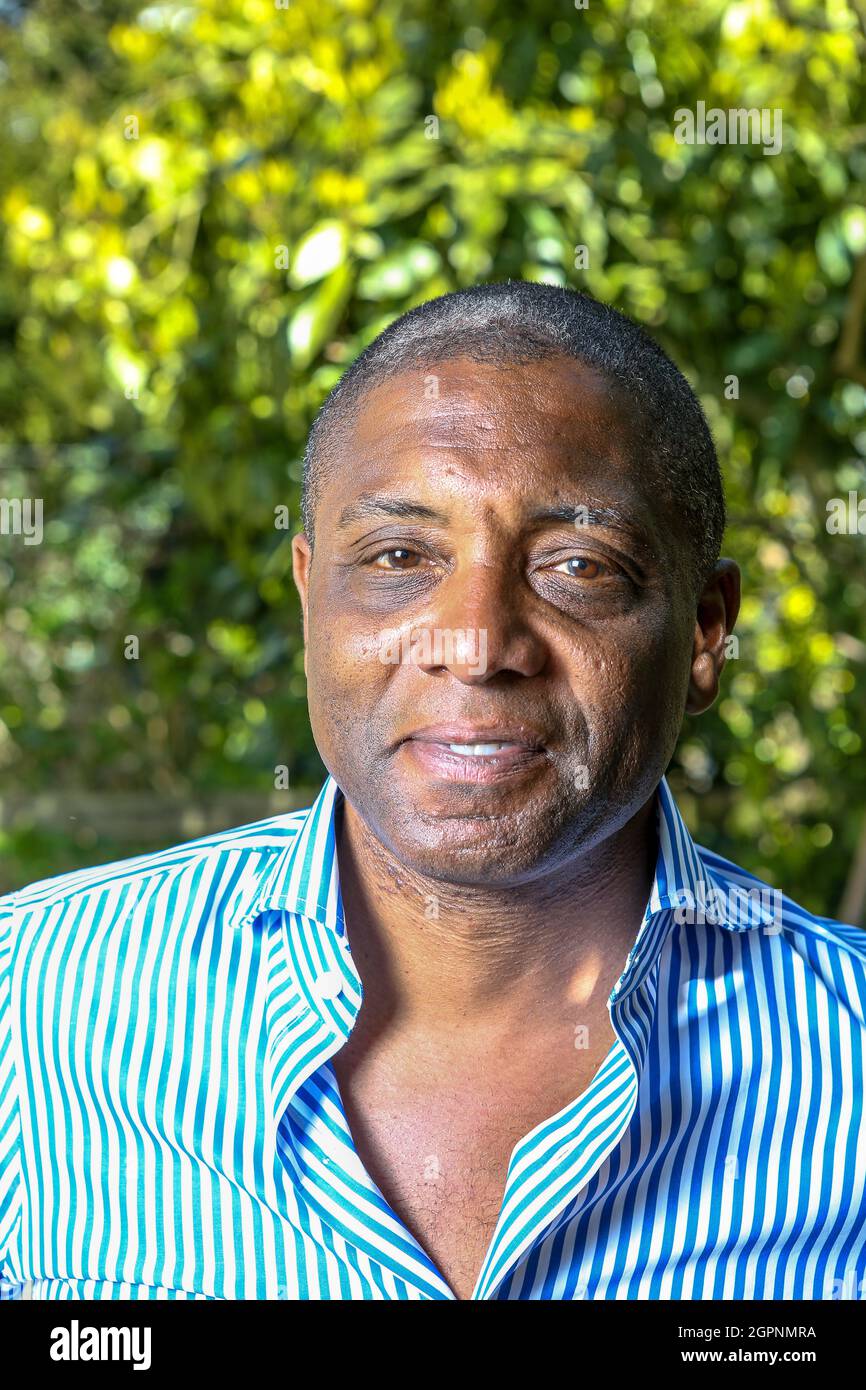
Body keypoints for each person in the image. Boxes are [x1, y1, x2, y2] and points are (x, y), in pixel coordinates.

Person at [1, 281, 864, 1302]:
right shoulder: (32, 1006)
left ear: (705, 632)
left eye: (577, 565)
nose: (475, 642)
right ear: (310, 593)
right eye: (400, 556)